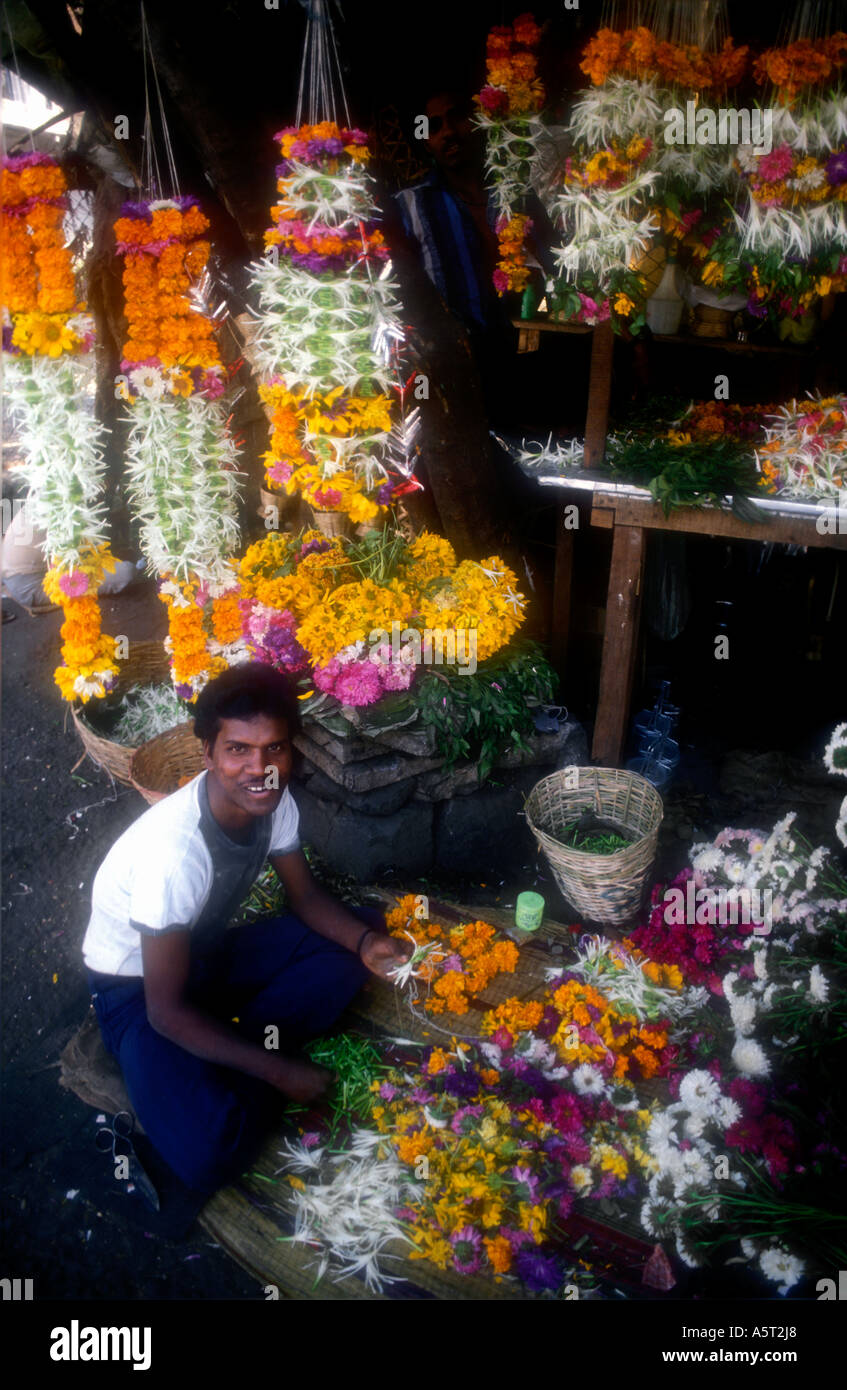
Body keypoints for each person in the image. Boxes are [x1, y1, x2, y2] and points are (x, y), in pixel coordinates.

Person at [82, 663, 411, 1194]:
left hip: (200, 955)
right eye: (238, 750)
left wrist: (365, 942)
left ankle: (226, 1052)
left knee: (359, 935)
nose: (260, 769)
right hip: (136, 993)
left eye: (275, 749)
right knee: (211, 1151)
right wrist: (282, 1072)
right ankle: (239, 1061)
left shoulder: (272, 801)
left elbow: (303, 897)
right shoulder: (175, 856)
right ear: (207, 753)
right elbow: (164, 1012)